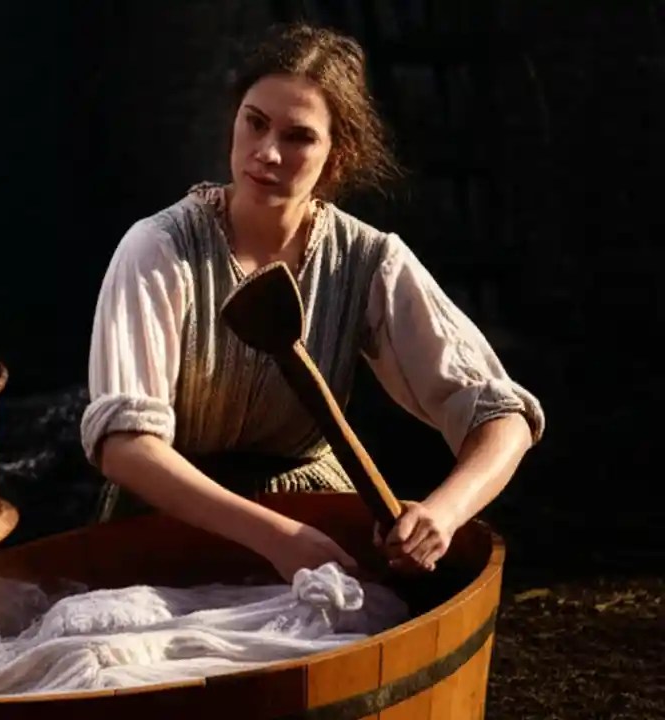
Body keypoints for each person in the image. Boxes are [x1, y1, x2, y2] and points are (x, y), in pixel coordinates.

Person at [80, 23, 545, 583]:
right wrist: (277, 537)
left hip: (313, 514)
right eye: (255, 122)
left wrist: (442, 513)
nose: (266, 153)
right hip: (172, 523)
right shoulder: (159, 249)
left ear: (337, 155)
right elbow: (124, 445)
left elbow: (503, 416)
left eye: (299, 137)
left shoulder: (367, 261)